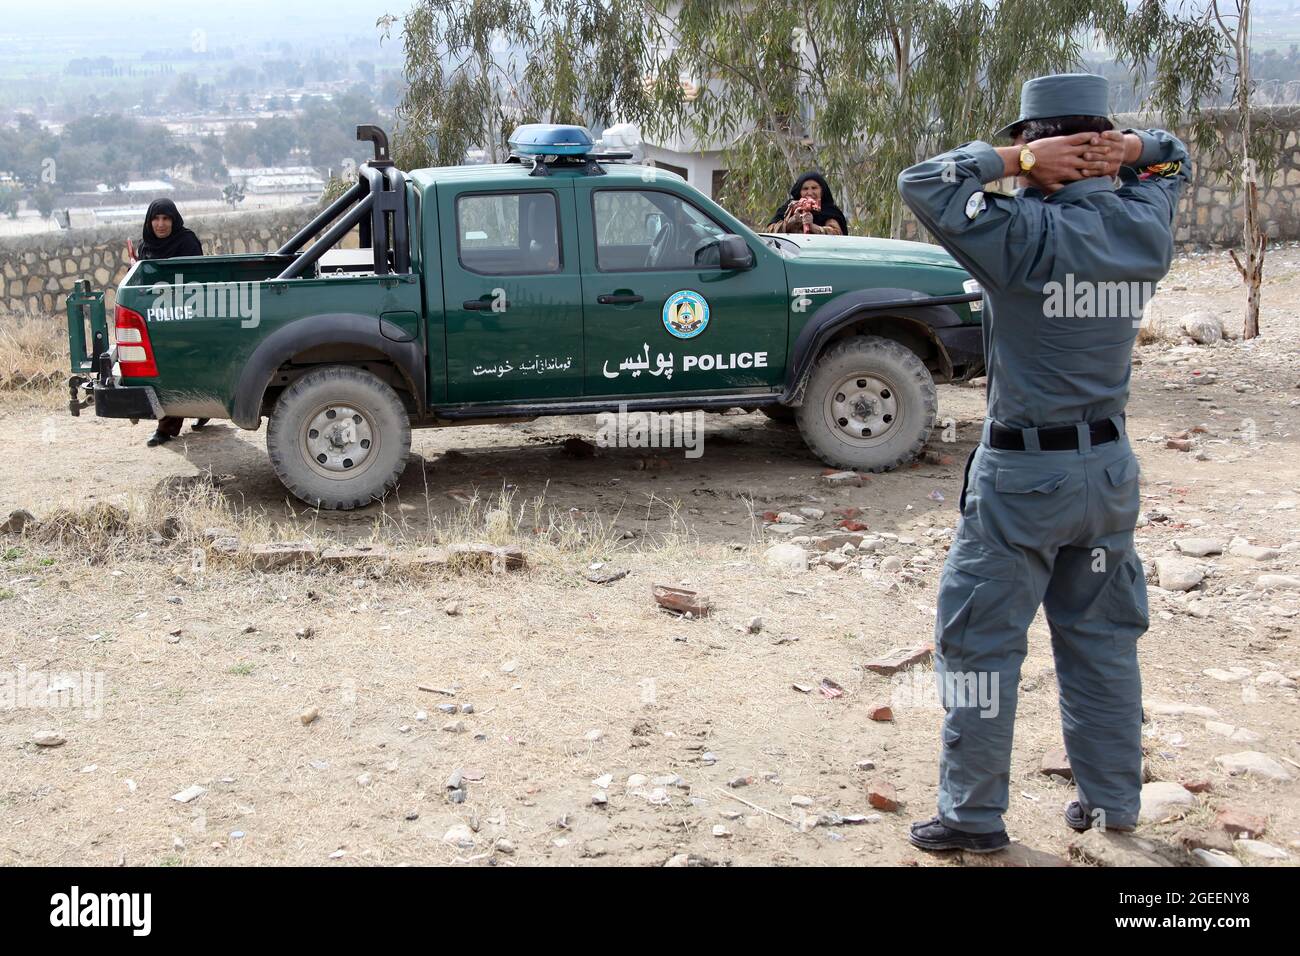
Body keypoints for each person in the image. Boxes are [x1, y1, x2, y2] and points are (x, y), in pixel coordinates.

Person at [895, 73, 1190, 853]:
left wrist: (1017, 164)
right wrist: (1130, 151)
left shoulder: (1021, 236)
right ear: (1104, 142)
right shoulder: (1143, 224)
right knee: (1100, 638)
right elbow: (1174, 159)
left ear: (1041, 143)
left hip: (1025, 479)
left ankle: (972, 816)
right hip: (1109, 471)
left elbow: (924, 180)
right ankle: (1113, 802)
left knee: (979, 643)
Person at [133, 199, 207, 447]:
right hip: (157, 318)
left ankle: (193, 412)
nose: (161, 224)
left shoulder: (186, 241)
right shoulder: (145, 246)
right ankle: (169, 424)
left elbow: (197, 278)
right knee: (165, 370)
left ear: (173, 221)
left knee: (188, 364)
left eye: (166, 219)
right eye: (156, 218)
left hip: (186, 314)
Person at [766, 172, 849, 235]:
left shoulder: (830, 211)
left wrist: (812, 226)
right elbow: (770, 231)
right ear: (799, 192)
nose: (810, 192)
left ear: (822, 190)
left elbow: (837, 234)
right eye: (805, 189)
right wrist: (791, 222)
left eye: (814, 188)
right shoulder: (789, 207)